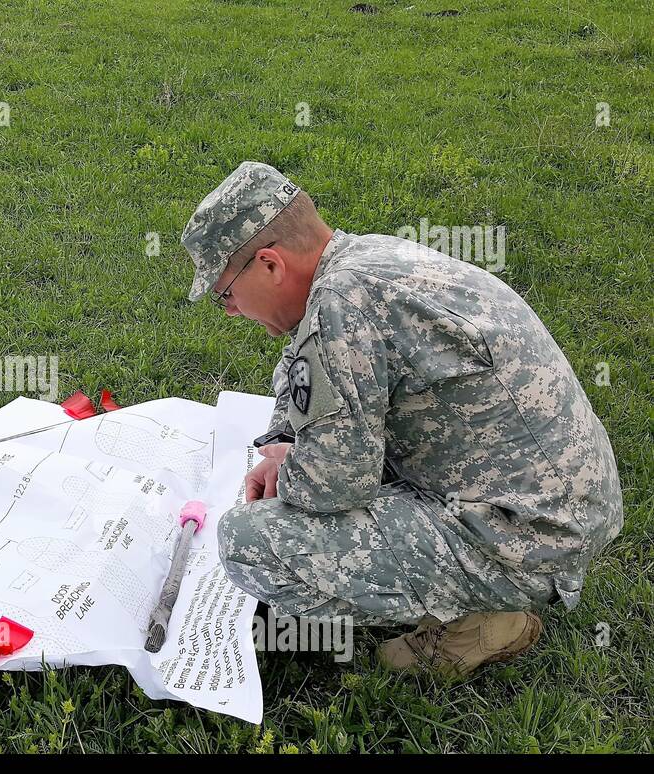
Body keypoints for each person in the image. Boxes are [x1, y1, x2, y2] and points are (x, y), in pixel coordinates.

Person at [180, 161, 623, 676]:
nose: (230, 310)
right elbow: (299, 369)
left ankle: (483, 619)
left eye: (225, 293)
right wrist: (285, 440)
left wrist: (295, 467)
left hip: (530, 533)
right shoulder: (361, 263)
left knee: (249, 543)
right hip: (559, 499)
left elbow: (332, 488)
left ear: (270, 264)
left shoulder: (342, 306)